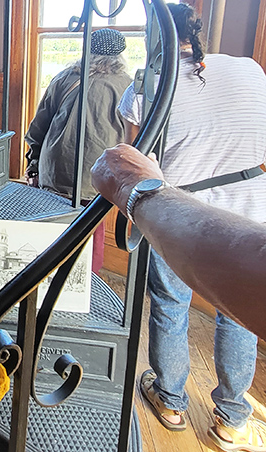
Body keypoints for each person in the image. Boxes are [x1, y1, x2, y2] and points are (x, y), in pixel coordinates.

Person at [118, 3, 266, 452]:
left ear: (154, 37)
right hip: (250, 210)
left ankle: (170, 399)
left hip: (180, 216)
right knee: (238, 313)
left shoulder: (146, 86)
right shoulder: (249, 70)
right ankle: (232, 419)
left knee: (169, 304)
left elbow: (132, 159)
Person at [91, 144, 266, 342]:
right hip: (250, 209)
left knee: (170, 306)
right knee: (239, 322)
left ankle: (168, 367)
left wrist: (139, 190)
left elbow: (141, 155)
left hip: (174, 212)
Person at [24, 27, 131, 273]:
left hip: (56, 169)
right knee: (92, 232)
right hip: (100, 175)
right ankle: (87, 284)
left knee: (52, 228)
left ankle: (46, 278)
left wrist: (33, 164)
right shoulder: (128, 87)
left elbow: (38, 127)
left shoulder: (65, 78)